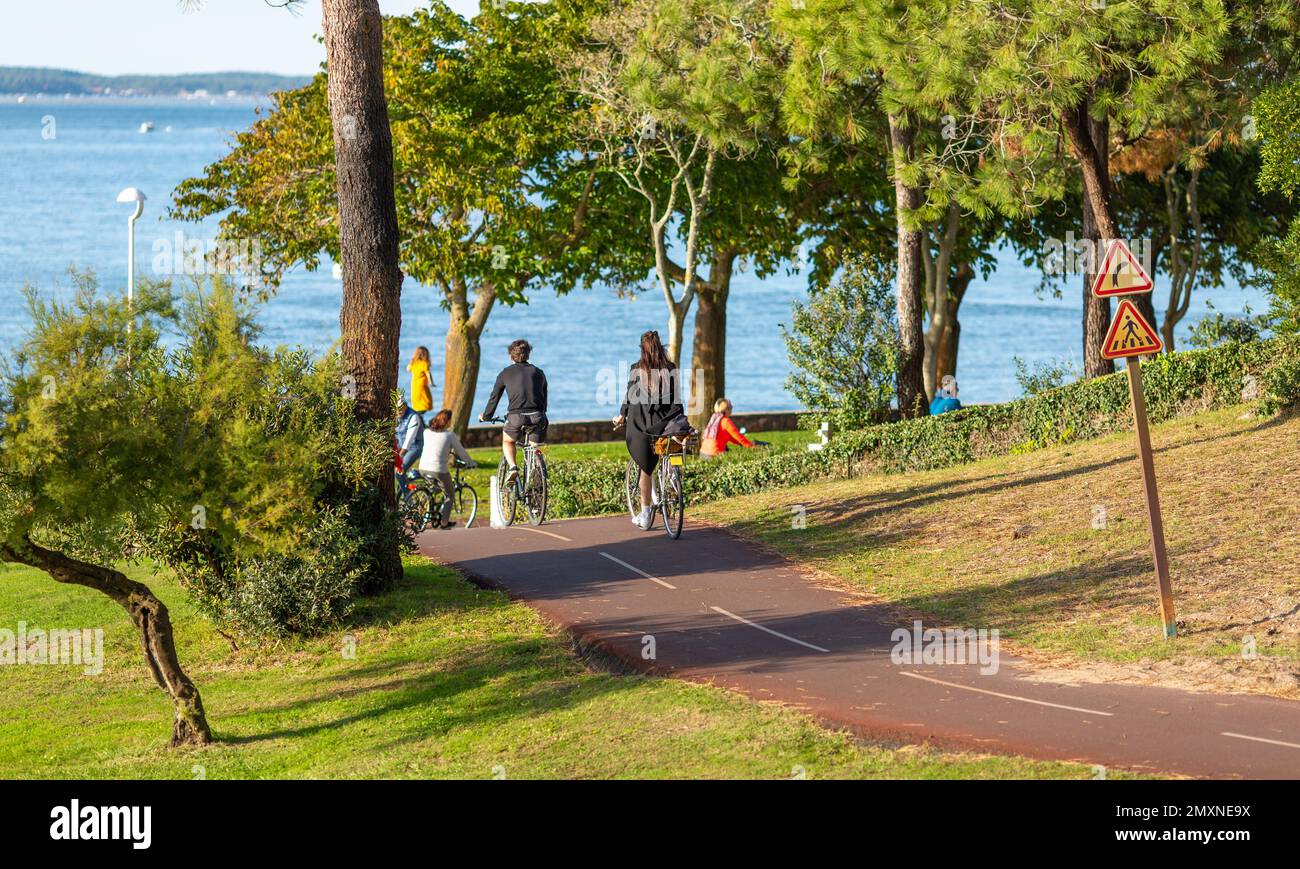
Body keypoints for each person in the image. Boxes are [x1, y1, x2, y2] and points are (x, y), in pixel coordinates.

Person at [612, 330, 690, 530]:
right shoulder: (671, 368)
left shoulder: (636, 369)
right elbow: (677, 400)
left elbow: (629, 398)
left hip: (644, 426)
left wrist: (622, 415)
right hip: (668, 424)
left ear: (642, 350)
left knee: (645, 469)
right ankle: (674, 473)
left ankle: (645, 513)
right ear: (660, 347)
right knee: (670, 448)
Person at [479, 339, 548, 485]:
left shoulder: (505, 373)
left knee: (508, 441)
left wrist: (486, 416)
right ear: (528, 354)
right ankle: (537, 479)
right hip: (538, 416)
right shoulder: (539, 373)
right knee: (534, 449)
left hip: (516, 417)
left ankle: (513, 467)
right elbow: (544, 398)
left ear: (511, 355)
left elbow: (494, 397)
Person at [418, 409, 477, 527]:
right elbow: (461, 453)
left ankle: (424, 506)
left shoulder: (426, 432)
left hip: (423, 468)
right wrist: (470, 462)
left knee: (436, 488)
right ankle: (444, 523)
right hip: (438, 470)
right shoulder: (450, 436)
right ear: (448, 421)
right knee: (450, 495)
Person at [395, 398, 424, 477]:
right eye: (396, 408)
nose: (398, 411)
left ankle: (405, 488)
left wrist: (399, 458)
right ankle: (406, 484)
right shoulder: (394, 414)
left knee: (399, 470)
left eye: (401, 408)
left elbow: (409, 440)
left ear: (406, 406)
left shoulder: (414, 417)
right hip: (401, 443)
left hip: (414, 446)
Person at [407, 346, 434, 419]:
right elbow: (428, 373)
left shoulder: (414, 363)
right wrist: (431, 383)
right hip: (422, 385)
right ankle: (419, 418)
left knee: (417, 402)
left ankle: (419, 418)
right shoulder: (424, 363)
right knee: (426, 402)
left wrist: (411, 361)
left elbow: (408, 369)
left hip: (414, 385)